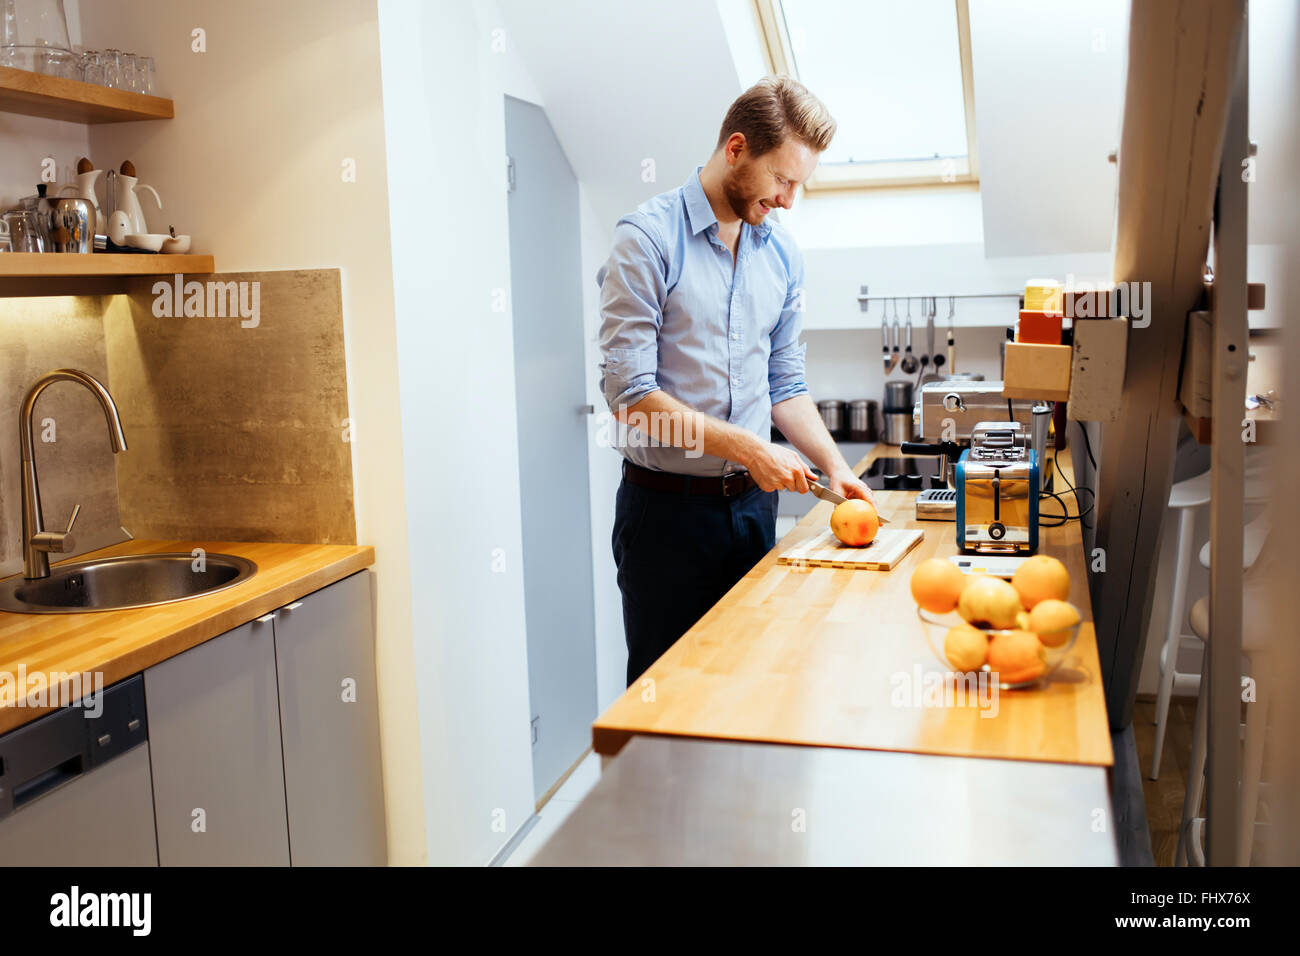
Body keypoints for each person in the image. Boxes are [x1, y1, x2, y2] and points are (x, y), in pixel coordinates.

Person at [597, 76, 876, 686]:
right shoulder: (645, 241)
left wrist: (835, 466)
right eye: (782, 179)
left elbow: (785, 384)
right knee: (664, 702)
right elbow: (630, 401)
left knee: (752, 684)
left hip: (752, 512)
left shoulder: (780, 254)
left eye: (799, 184)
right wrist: (749, 448)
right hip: (665, 517)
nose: (788, 200)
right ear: (736, 149)